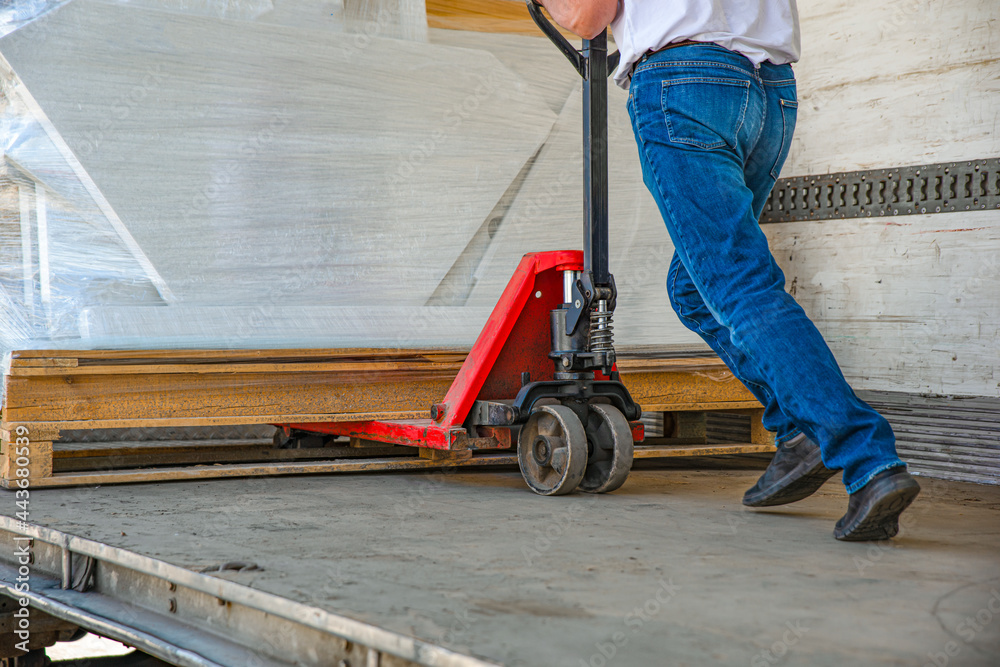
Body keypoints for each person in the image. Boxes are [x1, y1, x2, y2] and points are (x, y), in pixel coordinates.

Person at [537, 0, 920, 541]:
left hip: (685, 82)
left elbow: (588, 14)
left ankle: (868, 460)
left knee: (740, 284)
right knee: (694, 289)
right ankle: (799, 432)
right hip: (770, 94)